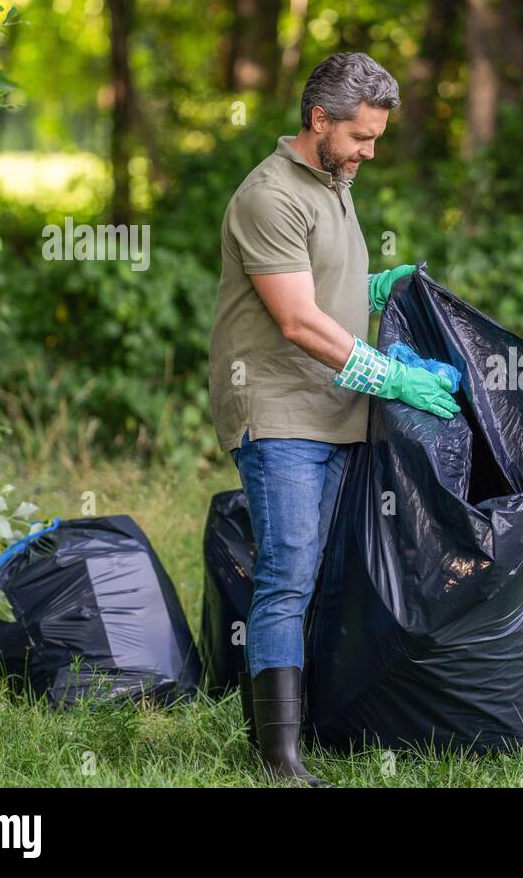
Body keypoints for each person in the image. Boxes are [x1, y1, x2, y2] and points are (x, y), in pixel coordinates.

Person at [206, 52, 461, 787]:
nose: (369, 153)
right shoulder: (269, 195)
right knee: (287, 572)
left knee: (315, 574)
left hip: (333, 408)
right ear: (319, 121)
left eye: (376, 137)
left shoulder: (334, 181)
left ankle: (304, 724)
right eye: (361, 137)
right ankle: (278, 760)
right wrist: (392, 376)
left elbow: (326, 289)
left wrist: (382, 287)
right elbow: (295, 320)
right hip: (280, 408)